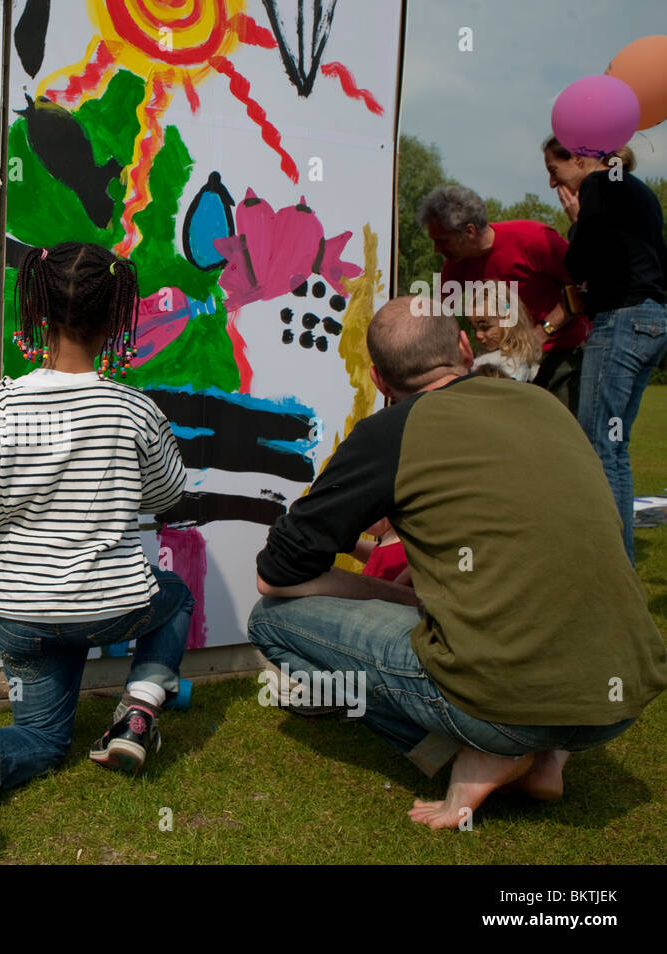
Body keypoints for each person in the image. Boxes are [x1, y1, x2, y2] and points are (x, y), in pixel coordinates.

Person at [248, 295, 667, 830]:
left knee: (271, 619)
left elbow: (276, 573)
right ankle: (548, 757)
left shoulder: (391, 431)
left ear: (378, 380)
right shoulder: (544, 406)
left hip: (502, 706)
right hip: (619, 698)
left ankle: (477, 751)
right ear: (466, 348)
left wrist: (395, 595)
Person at [0, 242, 192, 862]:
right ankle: (138, 712)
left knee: (40, 734)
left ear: (36, 314)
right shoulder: (134, 409)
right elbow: (170, 492)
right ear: (116, 319)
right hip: (113, 605)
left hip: (25, 615)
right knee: (174, 599)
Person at [543, 138, 667, 564]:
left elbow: (582, 261)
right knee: (615, 446)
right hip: (653, 320)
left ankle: (614, 566)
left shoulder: (597, 186)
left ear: (578, 158)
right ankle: (621, 559)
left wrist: (576, 223)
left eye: (554, 170)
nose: (551, 182)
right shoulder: (638, 189)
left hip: (621, 323)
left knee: (599, 445)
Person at [418, 184, 586, 411]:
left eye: (442, 240)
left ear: (469, 231)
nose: (436, 248)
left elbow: (584, 283)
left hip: (561, 359)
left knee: (561, 434)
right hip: (504, 365)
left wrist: (543, 331)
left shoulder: (532, 239)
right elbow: (440, 319)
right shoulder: (456, 265)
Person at [466, 282, 541, 382]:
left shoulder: (510, 365)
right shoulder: (525, 359)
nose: (478, 335)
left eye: (485, 327)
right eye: (474, 328)